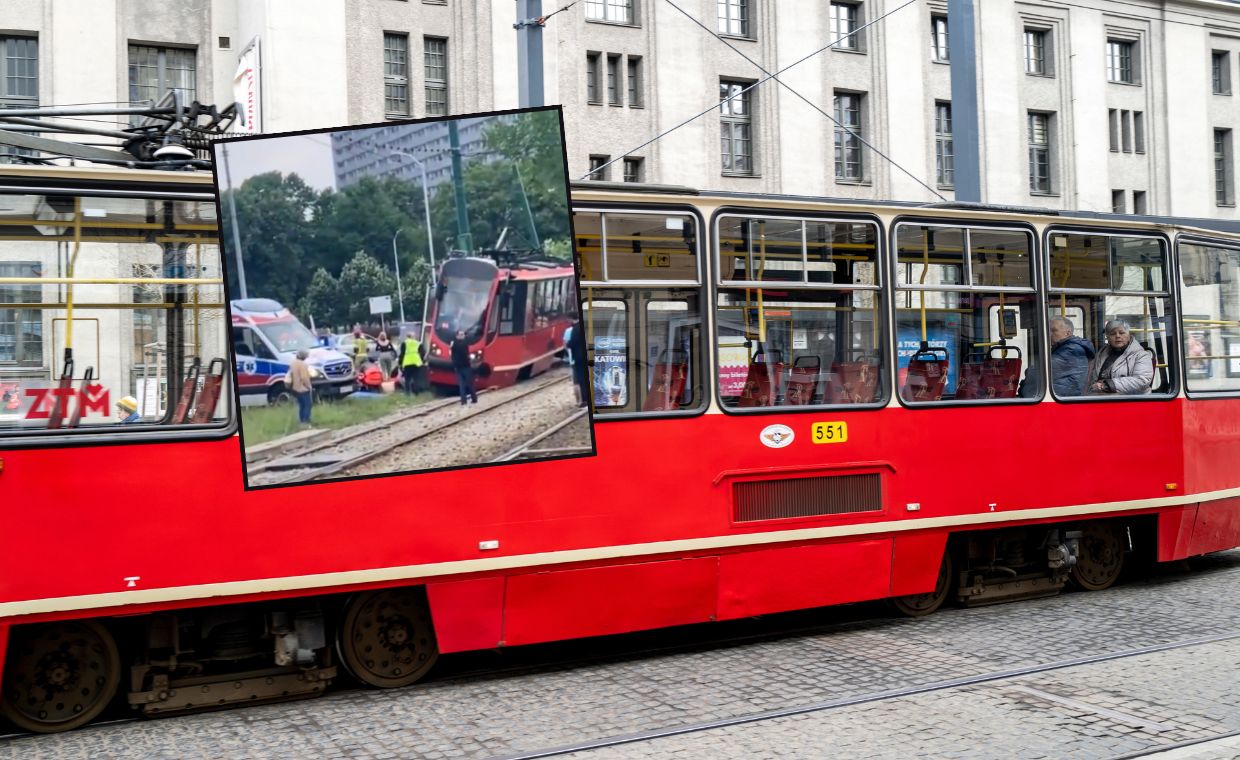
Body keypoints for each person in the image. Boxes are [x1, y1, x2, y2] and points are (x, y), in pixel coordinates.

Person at [1088, 319, 1154, 395]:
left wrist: (1107, 385)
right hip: (1101, 398)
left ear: (1129, 335)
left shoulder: (1141, 355)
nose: (1118, 336)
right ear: (1108, 338)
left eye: (1122, 333)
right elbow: (1091, 378)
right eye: (1113, 334)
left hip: (1132, 401)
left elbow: (1142, 380)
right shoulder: (1101, 354)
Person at [1049, 316, 1096, 397]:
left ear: (1068, 333)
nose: (1049, 334)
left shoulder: (1072, 349)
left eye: (1053, 330)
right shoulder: (1061, 348)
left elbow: (1043, 371)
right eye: (1048, 331)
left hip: (1067, 397)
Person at [450, 329, 478, 405]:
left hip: (458, 367)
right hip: (465, 366)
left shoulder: (454, 344)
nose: (463, 336)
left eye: (463, 335)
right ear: (457, 336)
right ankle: (474, 398)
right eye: (461, 335)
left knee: (462, 384)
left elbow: (452, 354)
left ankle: (464, 401)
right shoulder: (464, 344)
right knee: (469, 383)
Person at [566, 319, 590, 408]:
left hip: (579, 357)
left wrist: (568, 344)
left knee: (581, 379)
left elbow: (572, 342)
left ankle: (585, 399)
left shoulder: (576, 328)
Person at [287, 348, 314, 427]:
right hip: (303, 388)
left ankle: (301, 421)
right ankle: (305, 421)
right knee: (308, 405)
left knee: (301, 405)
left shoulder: (293, 363)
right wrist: (309, 386)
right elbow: (304, 377)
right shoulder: (303, 364)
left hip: (295, 387)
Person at [399, 330, 424, 396]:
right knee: (416, 378)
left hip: (407, 363)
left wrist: (400, 363)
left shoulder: (404, 343)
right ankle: (416, 393)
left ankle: (407, 393)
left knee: (407, 379)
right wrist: (421, 360)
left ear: (407, 337)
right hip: (416, 362)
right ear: (413, 336)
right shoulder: (418, 343)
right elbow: (423, 353)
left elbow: (402, 354)